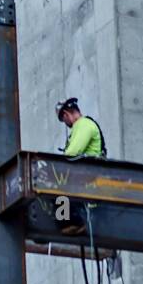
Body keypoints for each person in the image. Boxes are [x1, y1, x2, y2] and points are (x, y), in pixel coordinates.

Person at [55, 97, 106, 235]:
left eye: (63, 119)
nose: (65, 123)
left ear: (66, 114)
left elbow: (72, 153)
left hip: (88, 181)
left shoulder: (83, 124)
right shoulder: (83, 125)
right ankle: (68, 221)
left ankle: (71, 222)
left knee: (56, 185)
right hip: (87, 180)